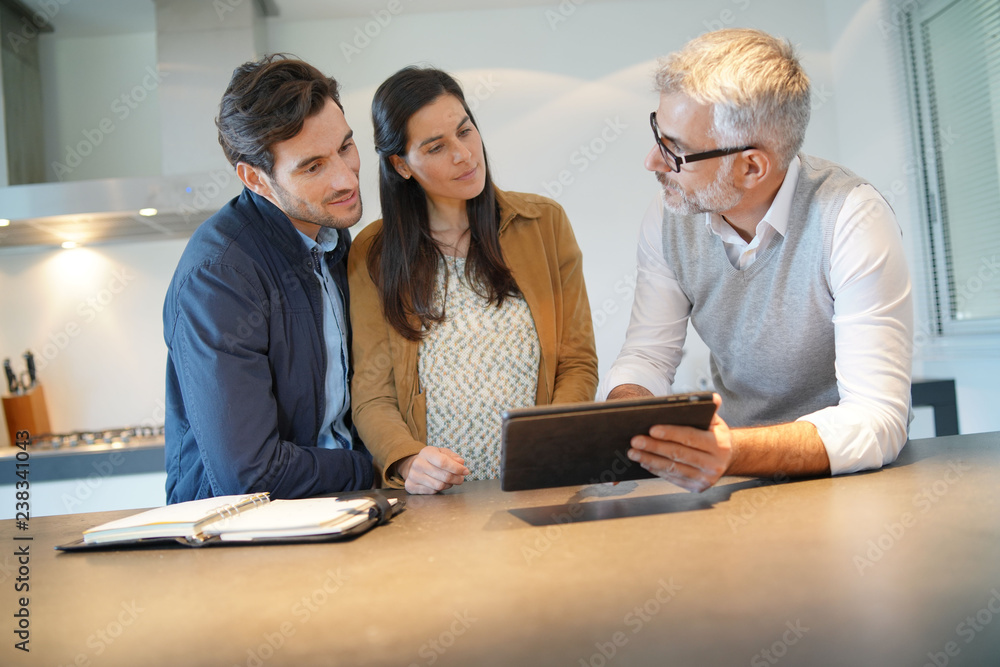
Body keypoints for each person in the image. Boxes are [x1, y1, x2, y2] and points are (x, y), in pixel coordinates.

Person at [599, 29, 913, 493]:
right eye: (657, 134)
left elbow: (878, 417)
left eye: (675, 150)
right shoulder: (670, 213)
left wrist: (733, 451)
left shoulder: (851, 216)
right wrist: (627, 415)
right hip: (734, 478)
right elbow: (647, 355)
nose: (652, 162)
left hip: (849, 477)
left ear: (751, 167)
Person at [349, 66, 598, 495]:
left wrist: (553, 439)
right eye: (436, 147)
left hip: (537, 486)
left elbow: (577, 362)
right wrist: (407, 460)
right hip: (437, 501)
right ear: (401, 165)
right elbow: (372, 393)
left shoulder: (544, 223)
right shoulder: (373, 252)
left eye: (465, 132)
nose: (464, 154)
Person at [163, 55, 373, 503]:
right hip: (240, 543)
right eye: (312, 166)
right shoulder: (219, 277)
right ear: (255, 179)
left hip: (333, 512)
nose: (345, 177)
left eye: (346, 146)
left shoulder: (333, 238)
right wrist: (377, 465)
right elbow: (251, 474)